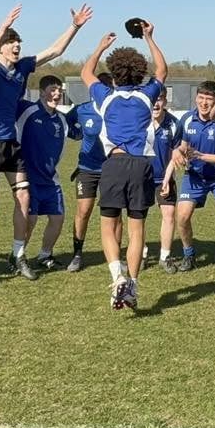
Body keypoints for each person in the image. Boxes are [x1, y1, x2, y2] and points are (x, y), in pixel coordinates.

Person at [0, 3, 93, 285]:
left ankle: (18, 255)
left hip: (11, 143)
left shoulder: (23, 67)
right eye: (11, 42)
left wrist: (75, 26)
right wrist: (2, 26)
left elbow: (54, 51)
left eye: (17, 41)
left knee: (23, 197)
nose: (16, 46)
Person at [80, 23, 169, 311]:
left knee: (109, 224)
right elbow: (162, 70)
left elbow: (85, 73)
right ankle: (132, 283)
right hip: (142, 165)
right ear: (139, 71)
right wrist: (149, 38)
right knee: (136, 228)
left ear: (114, 73)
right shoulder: (147, 96)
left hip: (114, 164)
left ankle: (117, 275)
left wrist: (100, 48)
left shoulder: (105, 97)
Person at [169, 82, 215, 275]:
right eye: (201, 97)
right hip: (194, 177)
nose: (204, 102)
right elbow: (183, 145)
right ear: (196, 98)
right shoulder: (187, 119)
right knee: (182, 216)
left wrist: (202, 156)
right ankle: (188, 254)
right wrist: (178, 151)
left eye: (209, 99)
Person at [7, 74, 74, 274]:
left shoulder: (62, 120)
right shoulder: (28, 110)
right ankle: (17, 256)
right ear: (42, 91)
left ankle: (45, 255)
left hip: (51, 179)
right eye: (53, 89)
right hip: (28, 178)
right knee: (31, 220)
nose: (57, 93)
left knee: (57, 218)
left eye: (59, 90)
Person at [64, 73, 111, 273]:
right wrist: (78, 134)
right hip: (87, 169)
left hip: (112, 169)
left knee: (112, 214)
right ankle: (77, 253)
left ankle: (115, 255)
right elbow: (67, 124)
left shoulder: (116, 110)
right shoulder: (82, 110)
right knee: (83, 211)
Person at [147, 93, 181, 270]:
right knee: (138, 217)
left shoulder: (174, 123)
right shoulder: (140, 120)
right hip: (142, 177)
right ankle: (142, 252)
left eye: (159, 100)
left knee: (168, 215)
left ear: (165, 101)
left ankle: (165, 256)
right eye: (152, 100)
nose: (155, 104)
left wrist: (167, 180)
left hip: (164, 177)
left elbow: (175, 155)